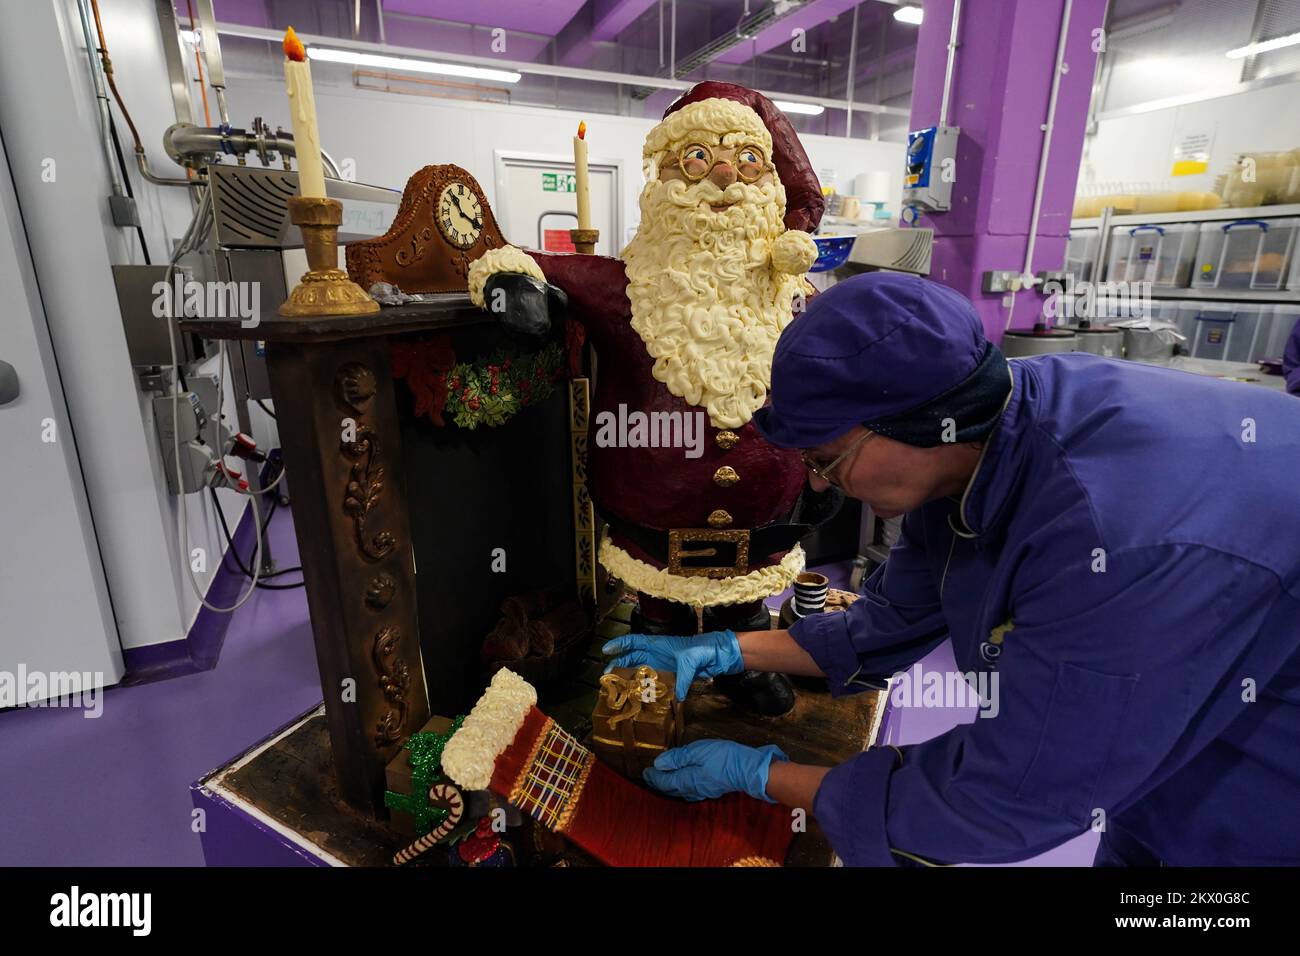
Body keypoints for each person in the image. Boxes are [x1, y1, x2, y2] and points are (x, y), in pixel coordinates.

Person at [605, 272, 1300, 866]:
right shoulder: (985, 423)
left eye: (827, 461)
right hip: (1160, 760)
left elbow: (1011, 795)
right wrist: (725, 647)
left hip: (1261, 797)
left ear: (913, 424)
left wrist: (763, 775)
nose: (825, 486)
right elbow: (892, 620)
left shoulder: (1118, 544)